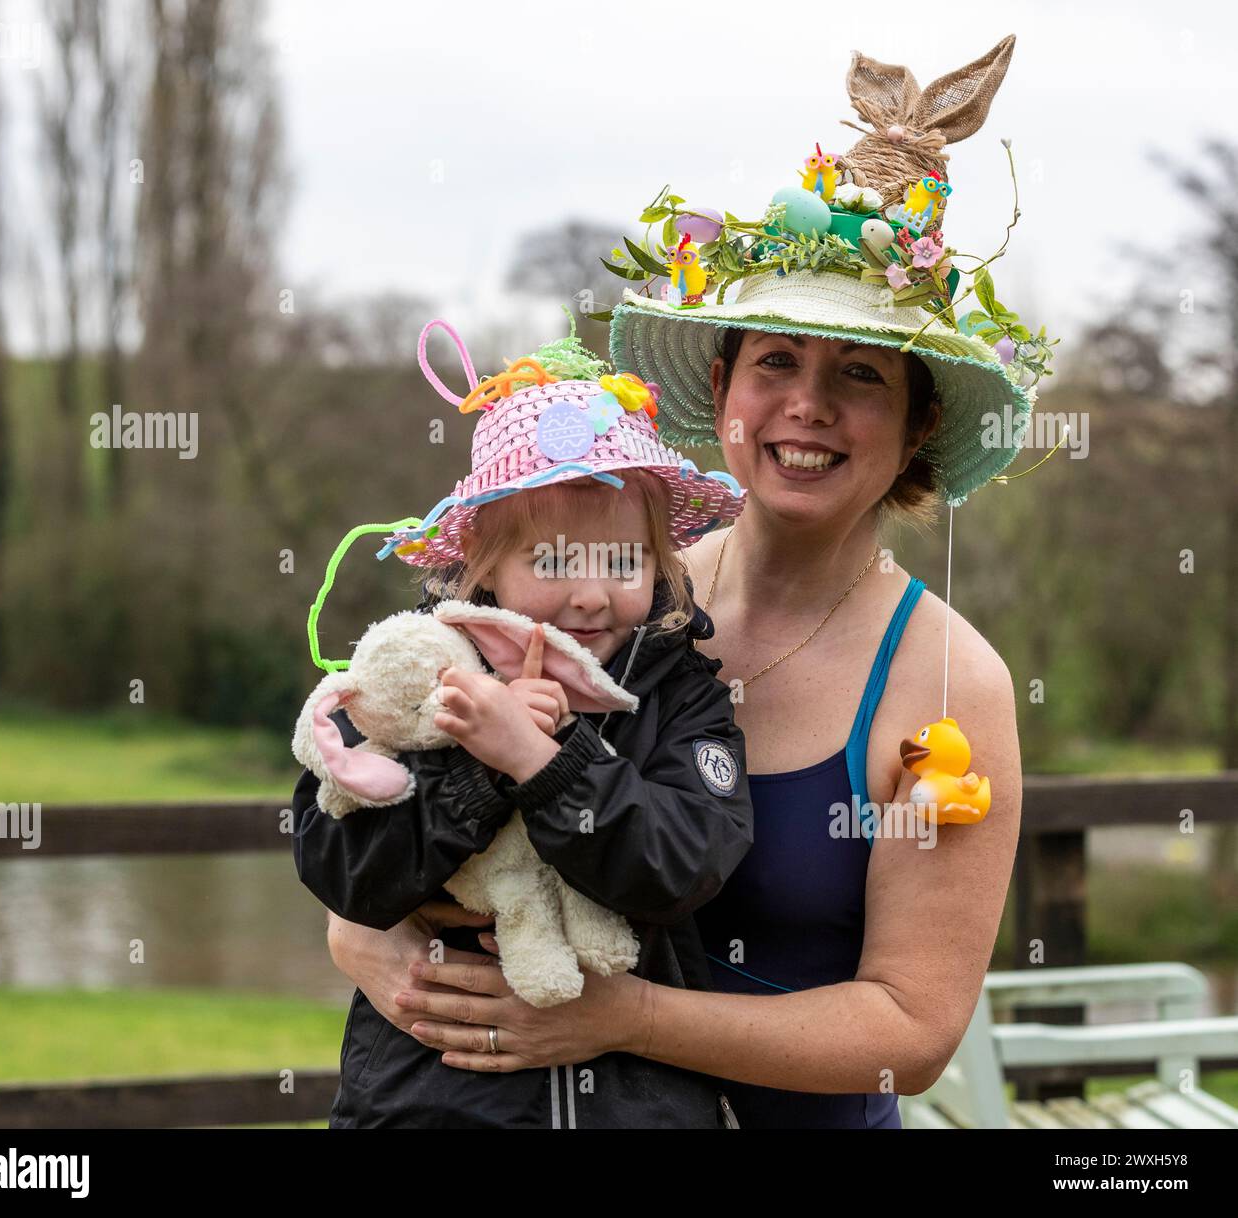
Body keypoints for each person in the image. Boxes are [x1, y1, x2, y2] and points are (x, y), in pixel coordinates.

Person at [320, 36, 1049, 1128]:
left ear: (915, 428)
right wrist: (378, 955)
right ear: (723, 390)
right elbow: (368, 845)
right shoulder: (586, 595)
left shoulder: (946, 689)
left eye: (859, 376)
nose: (809, 406)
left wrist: (625, 1018)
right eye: (776, 365)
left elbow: (910, 1031)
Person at [292, 317, 755, 1128]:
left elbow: (686, 865)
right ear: (484, 567)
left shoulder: (682, 695)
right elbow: (341, 865)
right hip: (432, 1102)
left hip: (634, 1104)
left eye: (622, 561)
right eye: (551, 561)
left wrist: (548, 760)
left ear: (660, 564)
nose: (589, 594)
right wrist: (477, 772)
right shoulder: (422, 674)